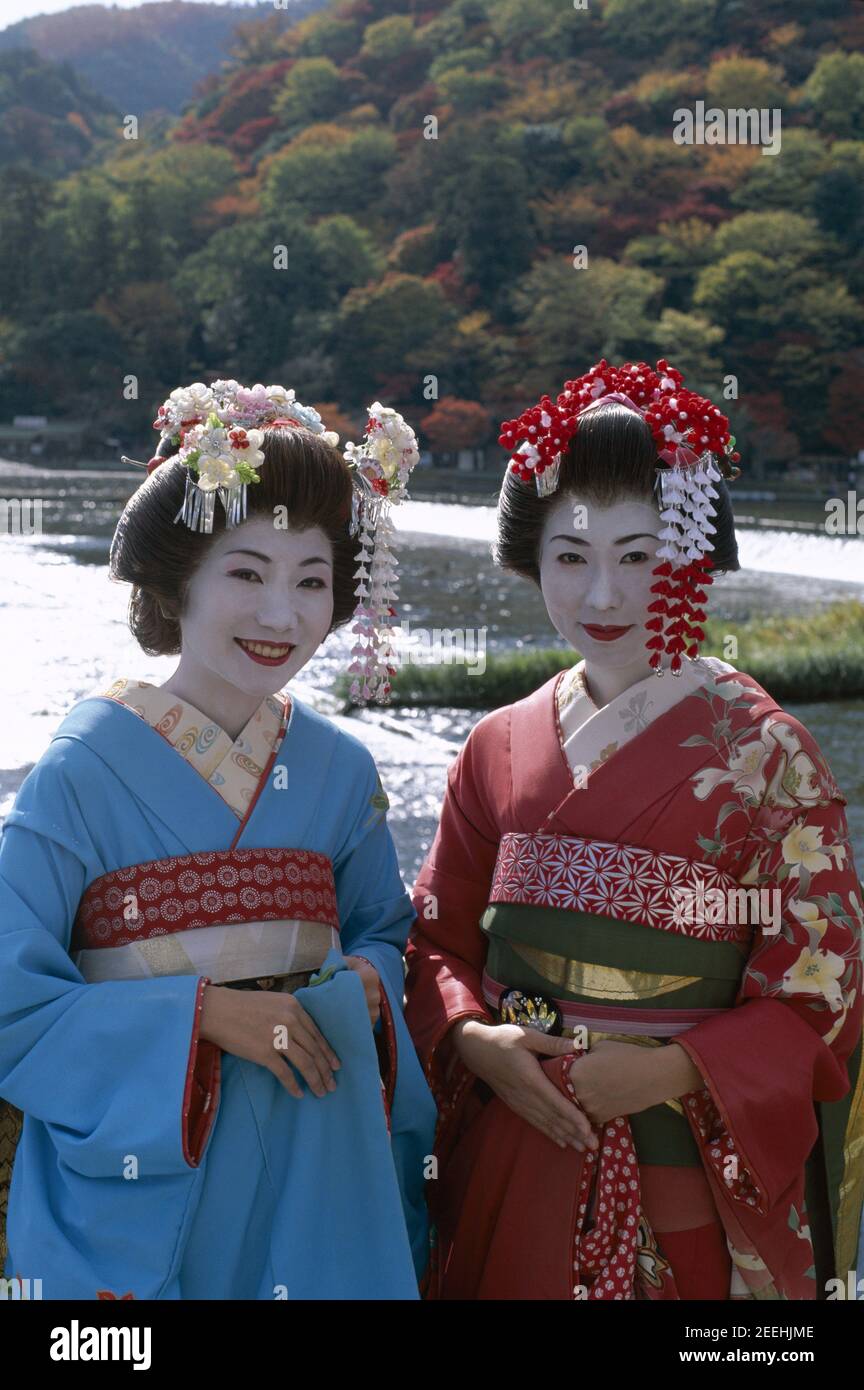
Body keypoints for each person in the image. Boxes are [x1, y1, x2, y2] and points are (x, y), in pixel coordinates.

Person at [404, 358, 864, 1301]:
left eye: (640, 556)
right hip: (511, 1139)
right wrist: (467, 1037)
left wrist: (670, 1072)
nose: (604, 597)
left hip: (682, 1162)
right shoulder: (497, 746)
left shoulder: (768, 751)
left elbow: (820, 993)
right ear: (532, 560)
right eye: (571, 557)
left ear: (691, 556)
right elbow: (436, 942)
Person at [0, 379, 436, 1299]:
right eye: (246, 573)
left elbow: (386, 933)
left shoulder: (340, 771)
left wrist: (366, 981)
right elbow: (13, 993)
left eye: (311, 580)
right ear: (176, 580)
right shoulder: (83, 768)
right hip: (150, 1174)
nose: (282, 616)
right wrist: (201, 1020)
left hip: (320, 1143)